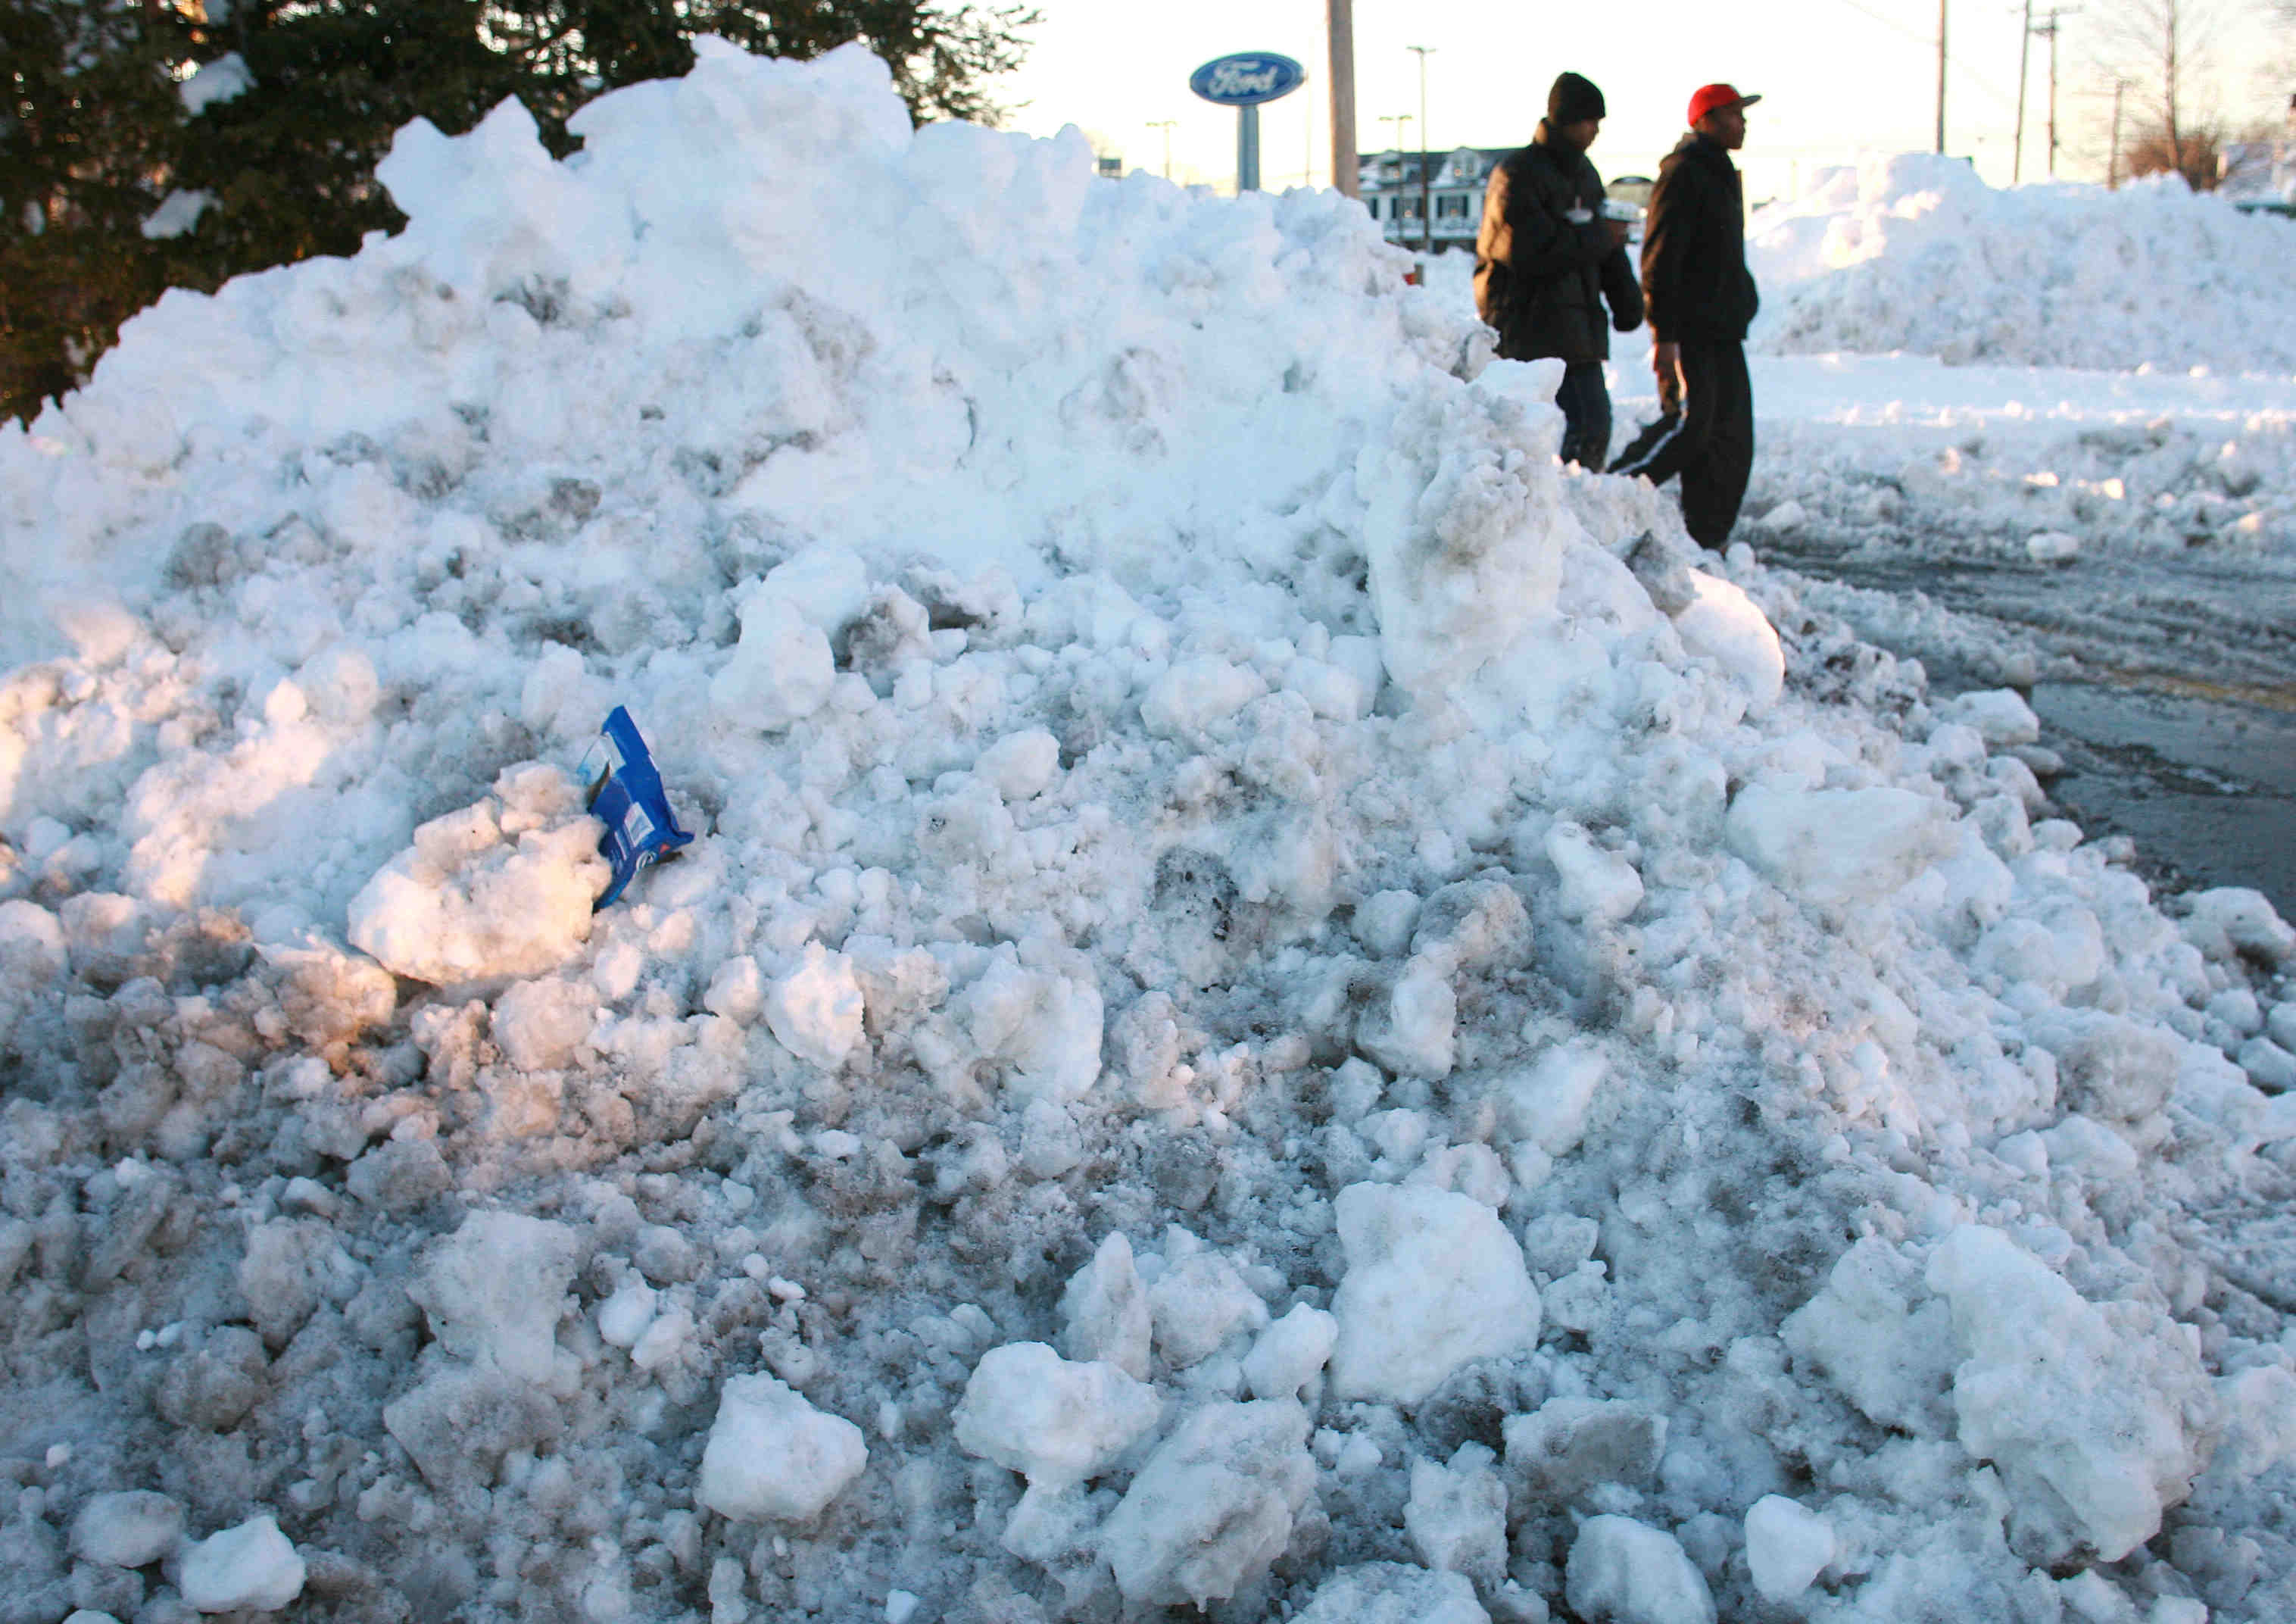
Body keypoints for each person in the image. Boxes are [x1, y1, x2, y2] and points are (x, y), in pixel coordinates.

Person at [1611, 83, 1761, 550]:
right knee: (1688, 430)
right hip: (1692, 333)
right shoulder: (1683, 174)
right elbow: (1658, 260)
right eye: (1736, 114)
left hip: (1724, 332)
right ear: (1708, 119)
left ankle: (1706, 540)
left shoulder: (1719, 173)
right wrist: (1666, 335)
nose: (1744, 123)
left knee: (1730, 442)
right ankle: (1605, 494)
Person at [1472, 71, 1645, 471]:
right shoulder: (1517, 175)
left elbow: (1603, 245)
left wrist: (1627, 300)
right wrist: (1599, 236)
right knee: (1523, 436)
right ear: (1566, 119)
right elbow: (1528, 251)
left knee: (1592, 425)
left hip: (1575, 327)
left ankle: (1570, 512)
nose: (1596, 131)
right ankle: (1555, 514)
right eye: (1590, 122)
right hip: (1525, 327)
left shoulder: (1585, 174)